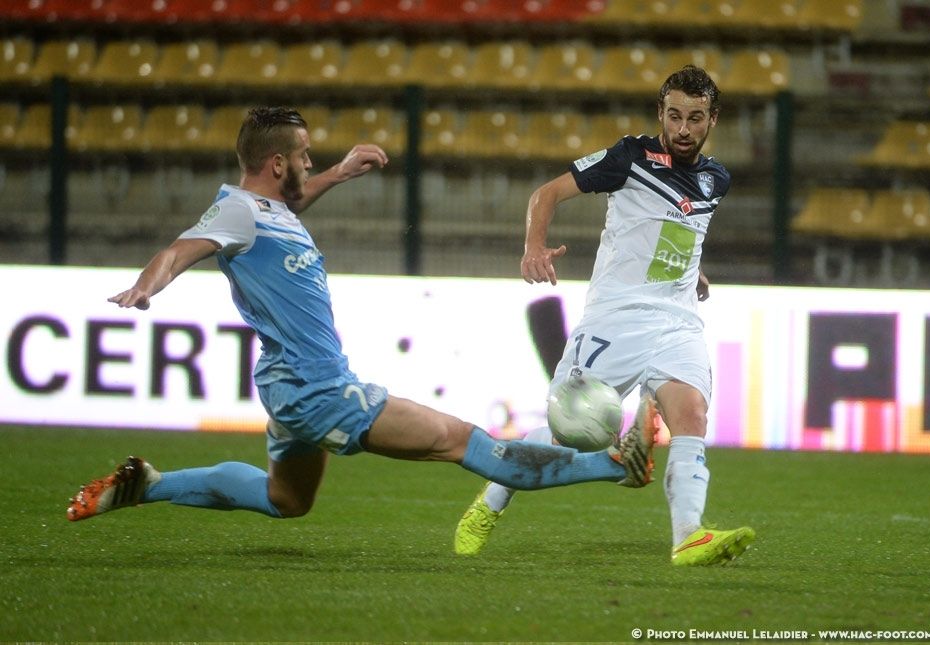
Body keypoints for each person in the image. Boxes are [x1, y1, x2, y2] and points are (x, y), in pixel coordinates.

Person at [66, 107, 658, 526]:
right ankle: (611, 466)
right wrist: (147, 287)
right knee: (465, 442)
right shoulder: (236, 214)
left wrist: (338, 174)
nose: (309, 161)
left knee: (286, 500)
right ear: (276, 162)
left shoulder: (263, 205)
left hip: (289, 385)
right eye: (303, 156)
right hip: (318, 388)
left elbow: (289, 200)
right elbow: (179, 249)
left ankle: (151, 484)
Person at [453, 66, 756, 566]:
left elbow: (681, 228)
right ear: (660, 113)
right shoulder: (630, 158)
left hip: (677, 322)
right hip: (615, 319)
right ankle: (488, 504)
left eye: (695, 118)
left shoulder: (715, 178)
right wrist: (533, 246)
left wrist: (692, 270)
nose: (683, 129)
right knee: (564, 429)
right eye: (675, 116)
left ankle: (688, 537)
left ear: (712, 120)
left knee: (692, 416)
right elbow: (545, 194)